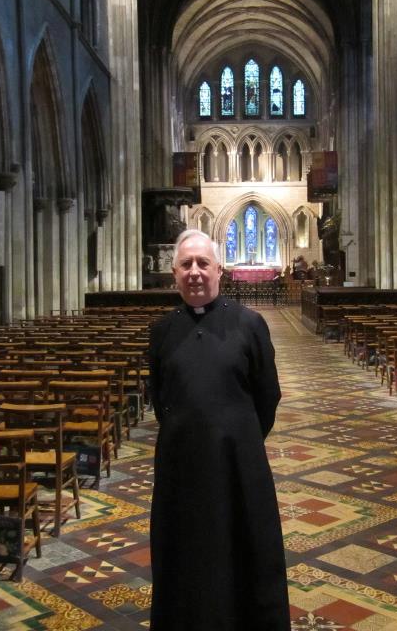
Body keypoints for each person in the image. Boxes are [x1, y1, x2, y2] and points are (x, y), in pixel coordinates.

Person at [148, 229, 290, 630]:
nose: (194, 272)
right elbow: (160, 396)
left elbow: (268, 395)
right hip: (180, 466)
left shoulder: (249, 324)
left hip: (238, 465)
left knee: (244, 549)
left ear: (219, 270)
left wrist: (237, 436)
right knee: (184, 553)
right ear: (174, 273)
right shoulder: (161, 331)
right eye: (185, 265)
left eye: (202, 263)